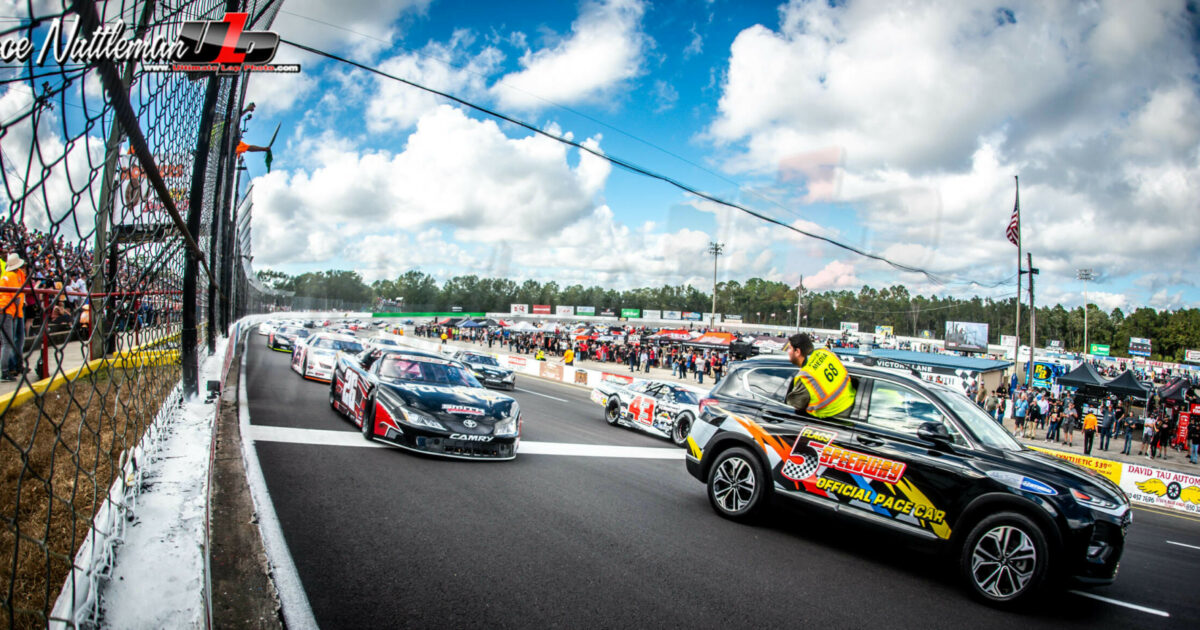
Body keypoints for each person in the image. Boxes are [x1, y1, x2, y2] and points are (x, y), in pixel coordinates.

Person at [783, 333, 855, 418]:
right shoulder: (826, 352)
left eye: (789, 348)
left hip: (834, 417)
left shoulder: (805, 377)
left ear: (797, 352)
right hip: (851, 404)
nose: (787, 351)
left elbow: (793, 406)